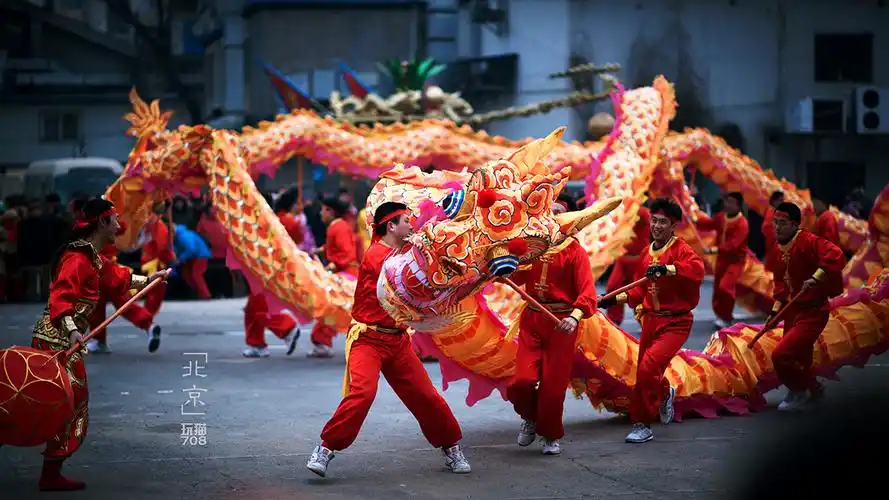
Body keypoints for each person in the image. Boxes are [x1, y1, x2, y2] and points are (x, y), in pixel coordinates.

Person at [306, 202, 470, 477]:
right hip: (368, 338)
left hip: (398, 341)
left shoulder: (402, 252)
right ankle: (326, 448)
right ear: (391, 226)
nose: (411, 225)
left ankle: (451, 447)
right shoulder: (378, 256)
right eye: (406, 221)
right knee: (363, 393)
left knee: (425, 395)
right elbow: (415, 278)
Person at [30, 198, 165, 490]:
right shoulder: (77, 259)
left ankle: (50, 472)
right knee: (60, 404)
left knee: (57, 404)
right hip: (57, 342)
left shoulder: (92, 257)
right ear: (102, 222)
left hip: (64, 341)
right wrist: (71, 331)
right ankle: (50, 473)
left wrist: (149, 280)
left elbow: (116, 277)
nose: (119, 225)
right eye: (114, 219)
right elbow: (60, 298)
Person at [598, 198, 705, 443]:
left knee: (647, 367)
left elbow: (696, 269)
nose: (657, 226)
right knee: (646, 371)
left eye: (663, 222)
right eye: (654, 221)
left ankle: (642, 423)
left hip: (675, 323)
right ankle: (665, 392)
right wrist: (612, 300)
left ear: (673, 225)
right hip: (651, 321)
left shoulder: (681, 249)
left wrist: (668, 269)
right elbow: (639, 291)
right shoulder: (647, 253)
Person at [506, 229, 598, 455]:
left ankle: (550, 434)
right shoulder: (534, 244)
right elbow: (516, 277)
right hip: (532, 318)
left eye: (559, 214)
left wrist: (574, 318)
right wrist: (505, 264)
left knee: (553, 386)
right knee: (521, 381)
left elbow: (588, 292)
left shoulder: (575, 251)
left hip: (561, 323)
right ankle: (530, 416)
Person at [762, 202, 846, 411]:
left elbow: (835, 253)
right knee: (800, 359)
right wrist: (774, 313)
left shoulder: (808, 241)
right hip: (792, 311)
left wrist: (817, 278)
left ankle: (800, 390)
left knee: (781, 355)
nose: (777, 227)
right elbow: (780, 286)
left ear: (794, 224)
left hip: (813, 311)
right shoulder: (777, 249)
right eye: (775, 222)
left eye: (783, 223)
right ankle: (814, 392)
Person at [242, 191, 300, 358]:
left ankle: (287, 328)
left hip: (266, 269)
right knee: (252, 308)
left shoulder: (270, 222)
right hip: (266, 268)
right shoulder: (277, 220)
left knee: (259, 307)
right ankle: (256, 343)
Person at [308, 196, 359, 358]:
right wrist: (322, 250)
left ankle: (321, 340)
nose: (320, 213)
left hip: (346, 276)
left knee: (331, 307)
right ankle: (321, 340)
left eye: (323, 209)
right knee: (333, 308)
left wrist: (333, 265)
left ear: (331, 211)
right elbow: (336, 247)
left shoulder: (338, 227)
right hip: (344, 273)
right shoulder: (337, 226)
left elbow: (347, 253)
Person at [696, 192, 748, 328]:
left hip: (735, 261)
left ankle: (727, 316)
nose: (728, 205)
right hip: (721, 260)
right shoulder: (721, 217)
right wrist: (694, 218)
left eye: (731, 203)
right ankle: (720, 315)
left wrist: (714, 250)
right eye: (727, 201)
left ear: (738, 205)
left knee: (726, 287)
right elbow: (708, 224)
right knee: (717, 289)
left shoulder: (742, 223)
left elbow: (734, 245)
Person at [604, 202, 651, 325]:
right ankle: (614, 320)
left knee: (639, 293)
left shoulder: (643, 212)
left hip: (639, 261)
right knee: (613, 288)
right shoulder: (621, 210)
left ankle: (645, 321)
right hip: (622, 260)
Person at [139, 202, 173, 340]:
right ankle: (147, 321)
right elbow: (161, 248)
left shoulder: (157, 226)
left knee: (153, 296)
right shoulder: (156, 226)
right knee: (154, 295)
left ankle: (147, 320)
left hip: (152, 263)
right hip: (154, 265)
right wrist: (170, 255)